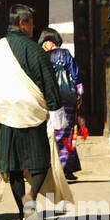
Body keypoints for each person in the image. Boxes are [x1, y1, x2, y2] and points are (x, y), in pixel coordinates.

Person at [0, 4, 71, 220]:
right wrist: (56, 111)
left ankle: (23, 216)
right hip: (31, 112)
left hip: (5, 114)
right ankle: (31, 197)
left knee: (13, 167)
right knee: (39, 161)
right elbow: (49, 82)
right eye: (30, 22)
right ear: (22, 24)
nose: (32, 27)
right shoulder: (34, 50)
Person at [39, 28, 84, 181]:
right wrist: (79, 94)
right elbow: (75, 75)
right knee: (67, 133)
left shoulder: (38, 55)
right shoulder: (64, 54)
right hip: (66, 99)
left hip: (44, 100)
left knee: (49, 132)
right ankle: (62, 168)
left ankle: (57, 168)